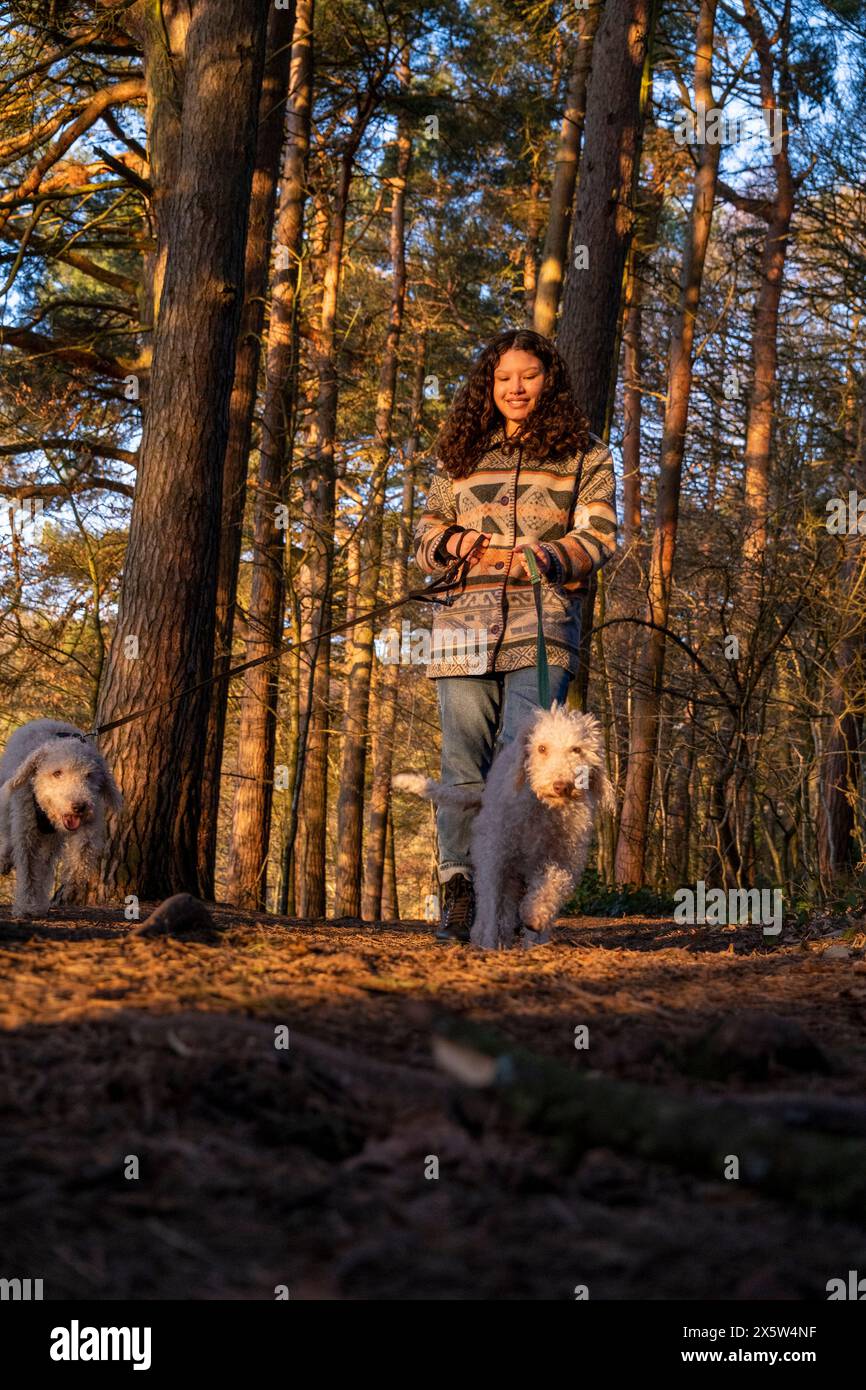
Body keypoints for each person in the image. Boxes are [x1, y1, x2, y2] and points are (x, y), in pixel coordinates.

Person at [413, 328, 617, 941]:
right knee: (463, 760)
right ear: (488, 385)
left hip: (545, 625)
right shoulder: (459, 452)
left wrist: (547, 557)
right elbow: (426, 532)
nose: (515, 388)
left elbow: (602, 535)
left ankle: (527, 900)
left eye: (527, 375)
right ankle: (460, 887)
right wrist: (458, 542)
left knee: (525, 766)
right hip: (461, 627)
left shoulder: (586, 453)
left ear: (547, 379)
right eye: (503, 378)